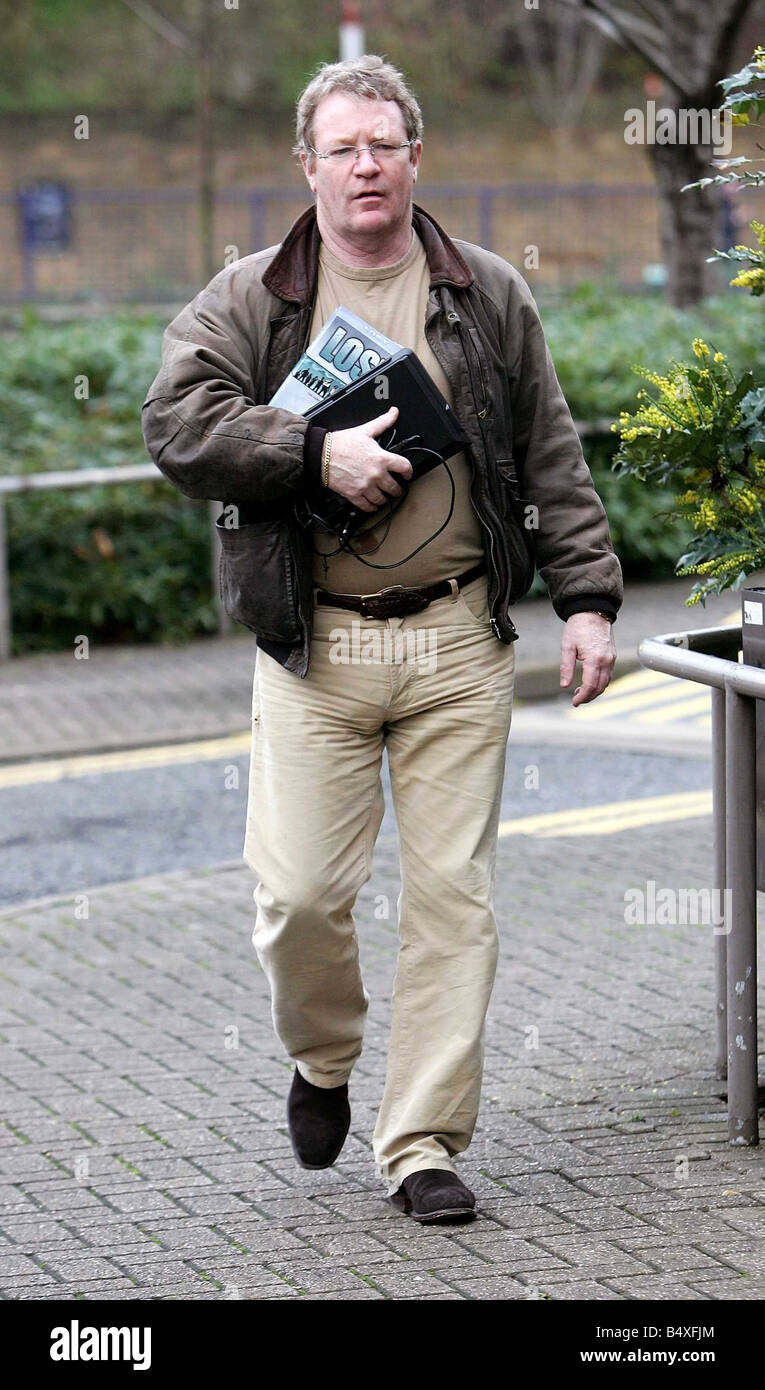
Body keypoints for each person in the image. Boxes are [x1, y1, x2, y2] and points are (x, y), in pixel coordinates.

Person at [142, 54, 623, 1225]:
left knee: (455, 897)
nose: (367, 166)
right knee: (300, 897)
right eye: (344, 148)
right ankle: (323, 1060)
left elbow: (550, 450)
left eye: (386, 145)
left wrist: (592, 597)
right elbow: (175, 420)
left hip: (460, 639)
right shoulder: (253, 297)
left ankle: (422, 1143)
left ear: (417, 157)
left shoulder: (487, 291)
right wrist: (311, 452)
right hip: (315, 647)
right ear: (306, 166)